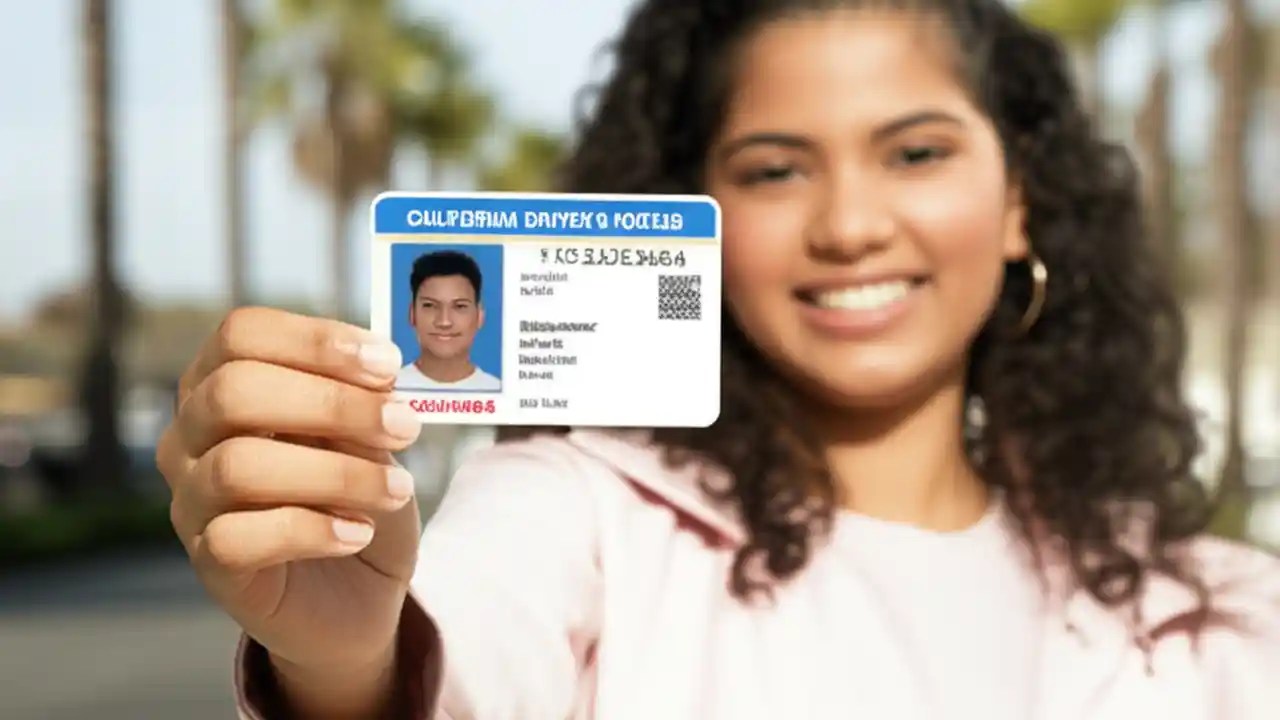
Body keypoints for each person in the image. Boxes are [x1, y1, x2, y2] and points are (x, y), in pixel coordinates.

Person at [155, 1, 1280, 718]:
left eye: (916, 152)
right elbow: (452, 667)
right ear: (690, 220)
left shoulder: (1227, 612)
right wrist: (350, 674)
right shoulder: (573, 511)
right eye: (774, 170)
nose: (849, 224)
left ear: (1019, 202)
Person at [396, 249, 501, 392]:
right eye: (430, 305)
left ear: (479, 316)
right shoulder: (391, 390)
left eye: (459, 306)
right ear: (412, 313)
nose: (444, 321)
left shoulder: (498, 391)